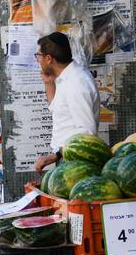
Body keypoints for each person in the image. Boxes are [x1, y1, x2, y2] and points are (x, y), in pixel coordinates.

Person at [33, 31, 101, 175]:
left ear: (49, 58)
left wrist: (54, 156)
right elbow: (57, 110)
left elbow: (87, 133)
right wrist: (49, 84)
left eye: (38, 56)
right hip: (67, 158)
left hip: (76, 162)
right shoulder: (64, 78)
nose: (37, 60)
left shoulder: (77, 82)